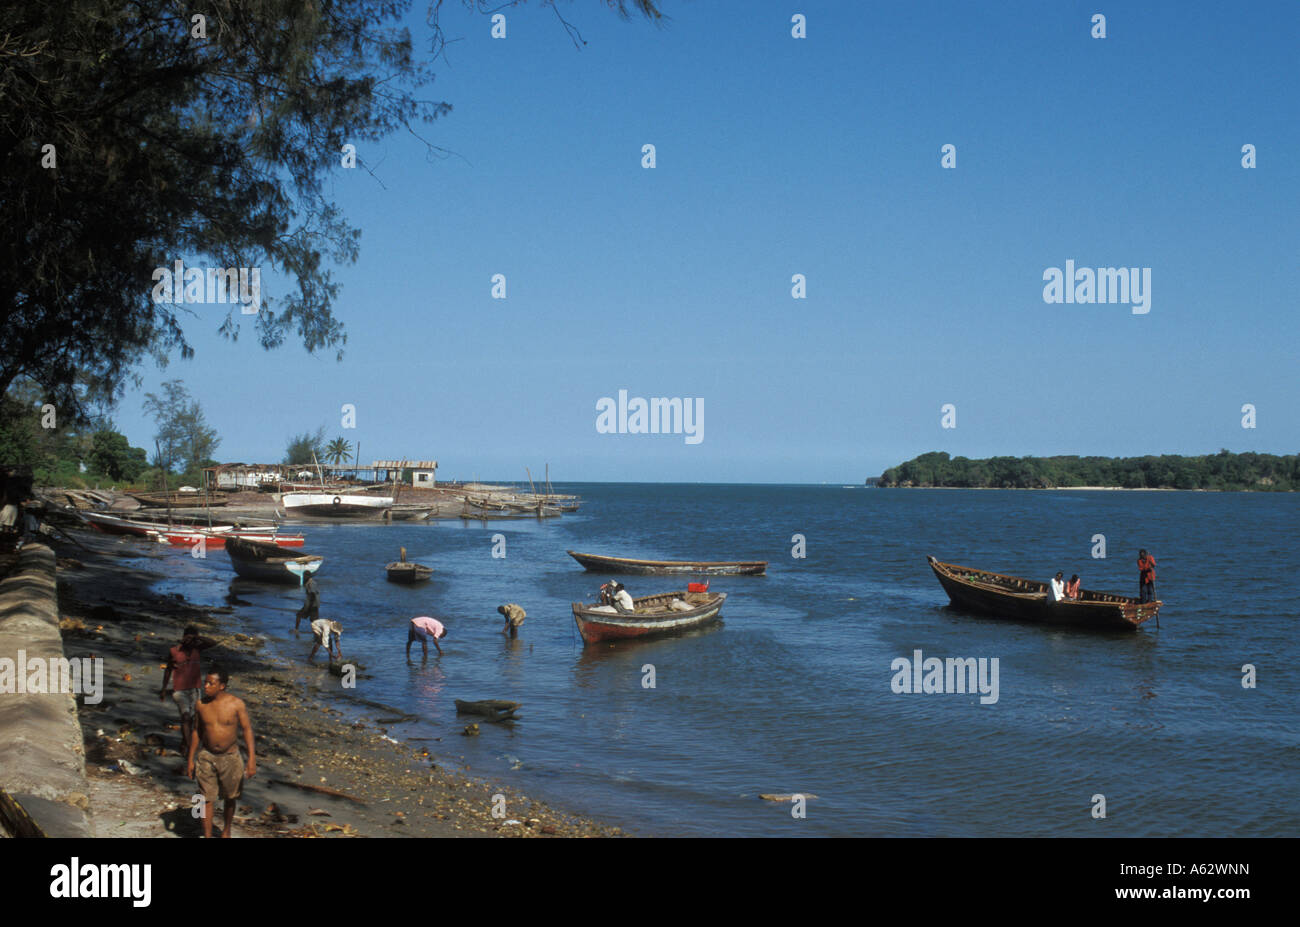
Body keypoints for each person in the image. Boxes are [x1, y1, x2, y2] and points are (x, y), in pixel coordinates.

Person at [187, 668, 256, 838]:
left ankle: (226, 831)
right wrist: (190, 759)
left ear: (222, 686)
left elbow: (247, 730)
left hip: (230, 757)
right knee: (205, 798)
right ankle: (207, 834)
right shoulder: (201, 705)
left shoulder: (236, 704)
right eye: (206, 682)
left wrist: (251, 759)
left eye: (211, 683)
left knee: (230, 797)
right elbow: (196, 731)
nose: (206, 686)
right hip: (206, 756)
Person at [160, 626, 218, 753]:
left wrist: (197, 638)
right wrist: (164, 689)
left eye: (193, 638)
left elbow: (213, 643)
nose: (189, 641)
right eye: (187, 637)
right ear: (183, 637)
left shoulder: (197, 649)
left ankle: (184, 744)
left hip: (195, 689)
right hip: (179, 690)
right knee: (185, 717)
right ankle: (190, 747)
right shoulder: (174, 651)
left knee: (192, 720)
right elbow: (168, 669)